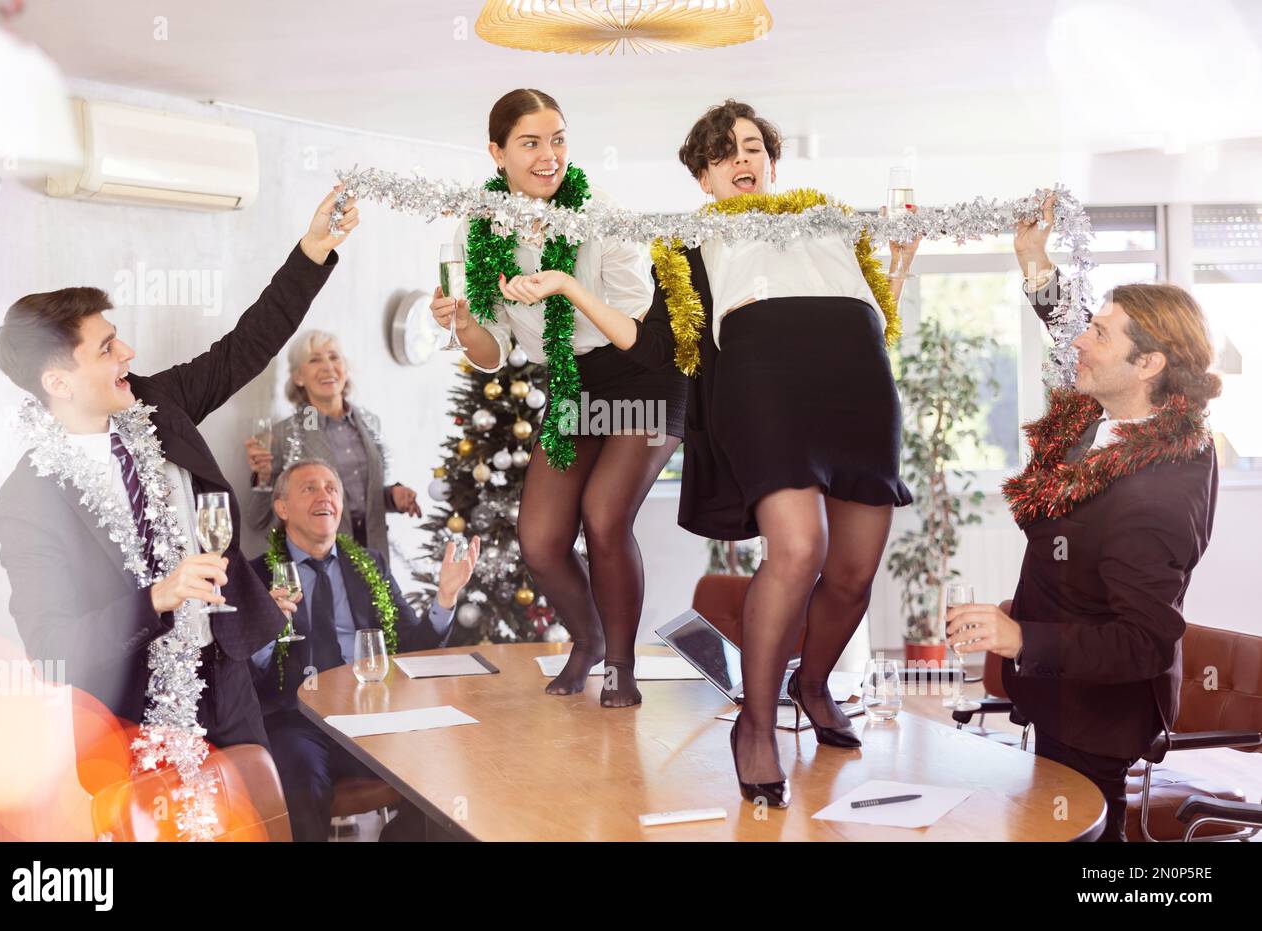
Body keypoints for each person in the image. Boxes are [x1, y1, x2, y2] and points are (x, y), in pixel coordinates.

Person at [564, 100, 920, 806]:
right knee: (797, 549)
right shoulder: (691, 242)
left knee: (853, 569)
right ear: (704, 178)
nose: (742, 160)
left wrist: (901, 265)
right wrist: (575, 289)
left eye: (753, 147)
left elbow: (874, 311)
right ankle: (755, 724)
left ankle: (811, 683)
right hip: (767, 389)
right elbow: (652, 343)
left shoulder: (830, 219)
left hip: (858, 385)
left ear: (773, 161)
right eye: (724, 153)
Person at [0, 188, 359, 785]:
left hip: (228, 679)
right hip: (131, 719)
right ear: (59, 381)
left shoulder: (160, 405)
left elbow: (245, 349)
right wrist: (159, 597)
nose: (127, 353)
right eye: (107, 348)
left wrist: (311, 251)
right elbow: (53, 650)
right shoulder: (27, 501)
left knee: (259, 824)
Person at [948, 194, 1220, 841]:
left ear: (1149, 364)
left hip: (1097, 714)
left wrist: (1019, 639)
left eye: (1100, 333)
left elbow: (1144, 641)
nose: (1081, 341)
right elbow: (1075, 337)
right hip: (1057, 692)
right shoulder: (1115, 410)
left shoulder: (1159, 489)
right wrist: (1035, 263)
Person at [430, 88, 687, 707]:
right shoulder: (480, 230)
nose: (549, 156)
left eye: (558, 139)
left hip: (645, 373)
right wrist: (462, 323)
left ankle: (621, 666)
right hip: (575, 381)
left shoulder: (601, 214)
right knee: (541, 539)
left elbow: (633, 320)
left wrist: (566, 286)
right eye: (531, 143)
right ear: (496, 153)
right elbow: (494, 352)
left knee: (604, 515)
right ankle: (590, 639)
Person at [249, 458, 479, 842]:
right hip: (296, 720)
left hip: (373, 717)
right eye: (309, 488)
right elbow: (241, 668)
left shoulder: (369, 565)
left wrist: (444, 598)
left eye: (332, 488)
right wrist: (266, 626)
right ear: (282, 508)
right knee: (299, 777)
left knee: (446, 764)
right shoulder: (256, 575)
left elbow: (411, 646)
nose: (325, 496)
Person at [244, 328, 421, 558]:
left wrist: (391, 497)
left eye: (334, 357)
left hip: (374, 557)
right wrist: (263, 477)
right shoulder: (279, 436)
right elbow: (257, 521)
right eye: (315, 360)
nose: (328, 366)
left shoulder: (369, 423)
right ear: (298, 377)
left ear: (345, 368)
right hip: (317, 565)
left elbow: (357, 498)